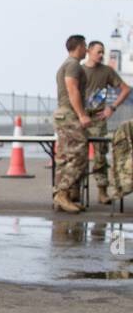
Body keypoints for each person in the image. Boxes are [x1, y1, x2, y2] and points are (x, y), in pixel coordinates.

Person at [83, 40, 130, 204]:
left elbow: (125, 89)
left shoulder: (106, 71)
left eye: (103, 52)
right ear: (89, 51)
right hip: (80, 117)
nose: (101, 55)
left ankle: (102, 191)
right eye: (98, 52)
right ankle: (73, 191)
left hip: (98, 118)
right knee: (76, 156)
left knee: (100, 156)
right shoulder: (79, 70)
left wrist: (112, 107)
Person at [53, 35, 92, 214]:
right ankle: (62, 192)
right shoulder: (73, 65)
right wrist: (82, 115)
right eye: (85, 45)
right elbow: (72, 89)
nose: (87, 50)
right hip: (69, 115)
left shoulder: (67, 64)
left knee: (64, 156)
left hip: (64, 114)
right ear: (79, 46)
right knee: (79, 154)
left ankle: (62, 196)